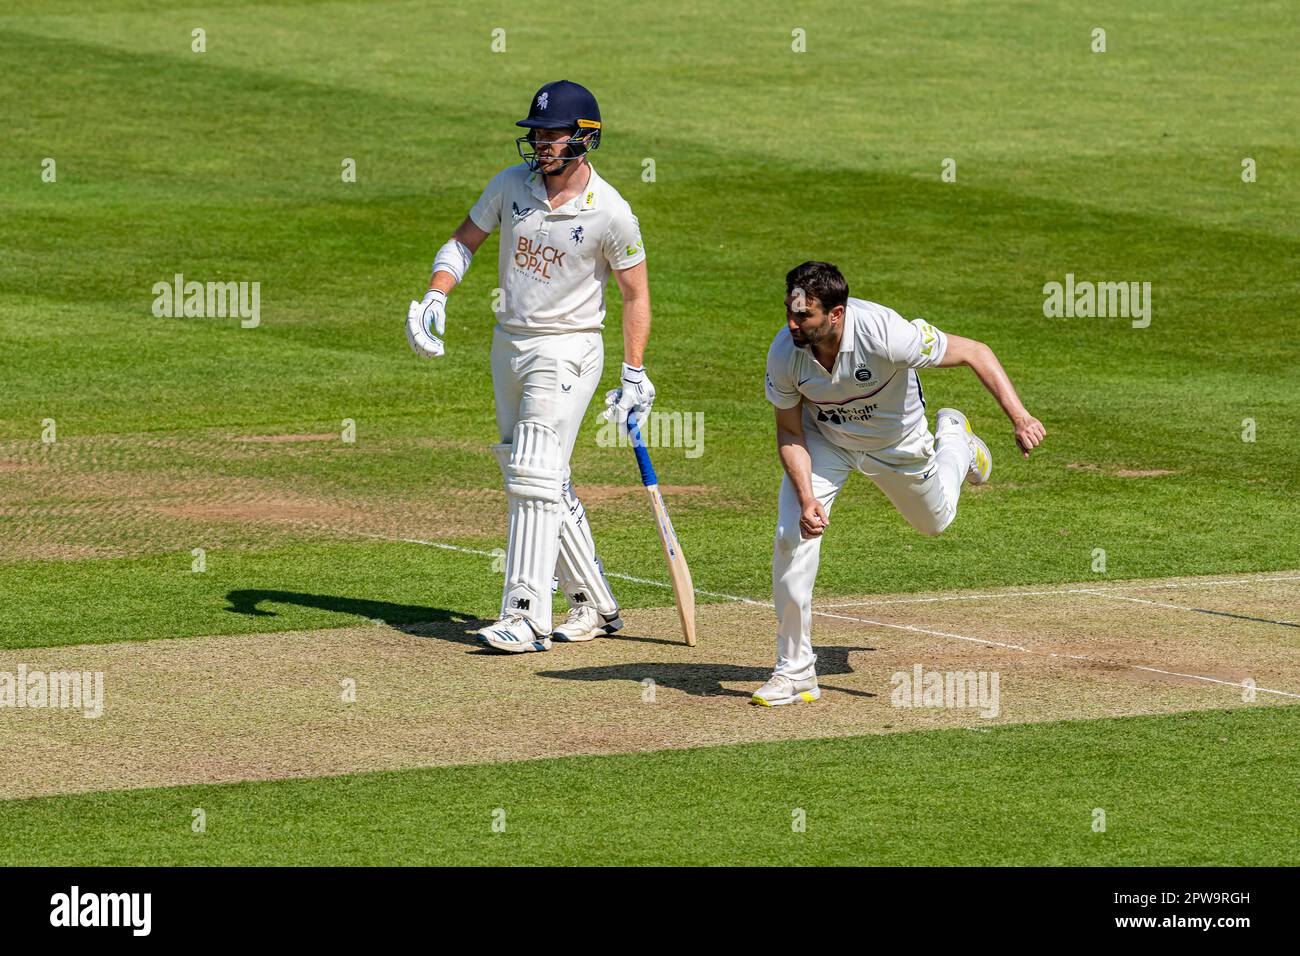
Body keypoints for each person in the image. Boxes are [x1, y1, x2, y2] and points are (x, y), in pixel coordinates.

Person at [405, 80, 655, 653]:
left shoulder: (610, 212)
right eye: (536, 134)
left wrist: (633, 373)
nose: (541, 144)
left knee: (535, 472)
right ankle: (592, 602)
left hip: (569, 347)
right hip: (509, 344)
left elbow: (634, 294)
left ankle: (524, 615)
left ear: (584, 139)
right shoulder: (509, 186)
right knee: (530, 471)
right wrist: (436, 295)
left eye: (552, 134)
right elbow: (462, 242)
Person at [754, 261, 1046, 704]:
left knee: (934, 523)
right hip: (826, 443)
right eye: (789, 312)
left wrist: (1020, 418)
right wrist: (807, 496)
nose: (792, 323)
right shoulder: (784, 353)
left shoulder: (887, 334)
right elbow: (790, 432)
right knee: (791, 534)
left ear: (836, 314)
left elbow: (976, 352)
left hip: (898, 444)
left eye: (803, 316)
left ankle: (956, 441)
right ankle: (795, 671)